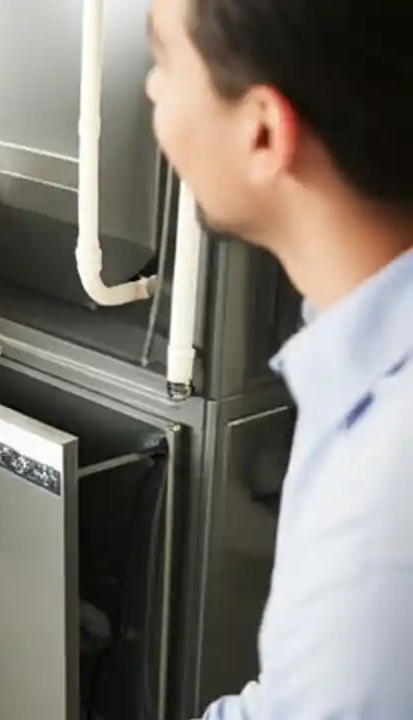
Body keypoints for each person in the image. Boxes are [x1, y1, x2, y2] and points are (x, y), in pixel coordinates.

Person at [145, 0, 413, 717]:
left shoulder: (378, 531)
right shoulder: (359, 351)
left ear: (263, 130)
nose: (148, 89)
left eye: (164, 61)